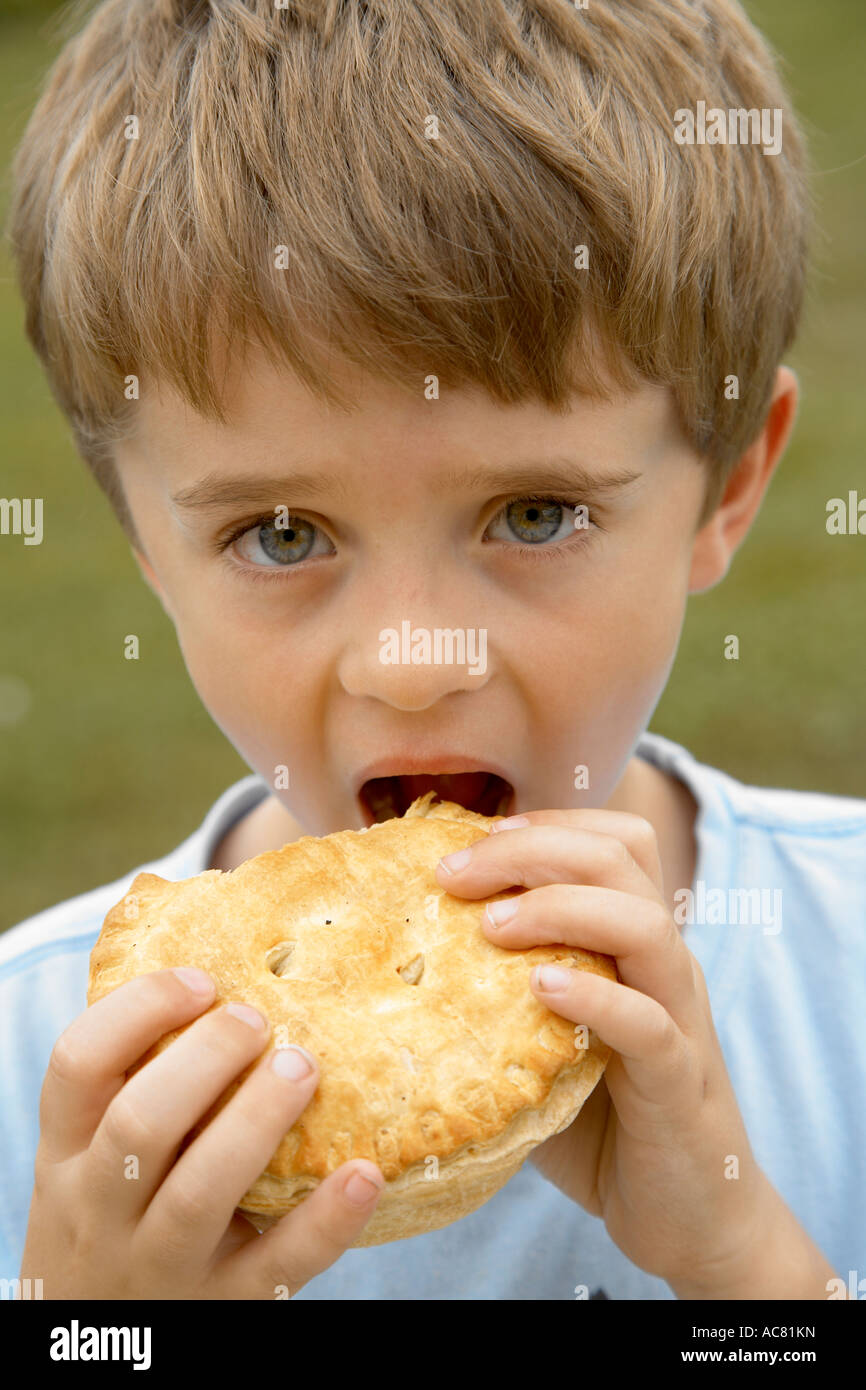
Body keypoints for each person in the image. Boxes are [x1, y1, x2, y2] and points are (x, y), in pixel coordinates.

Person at [2, 0, 863, 1300]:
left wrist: (747, 1266)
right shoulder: (43, 1069)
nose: (410, 661)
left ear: (727, 487)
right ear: (141, 542)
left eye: (534, 514)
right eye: (280, 532)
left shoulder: (840, 978)